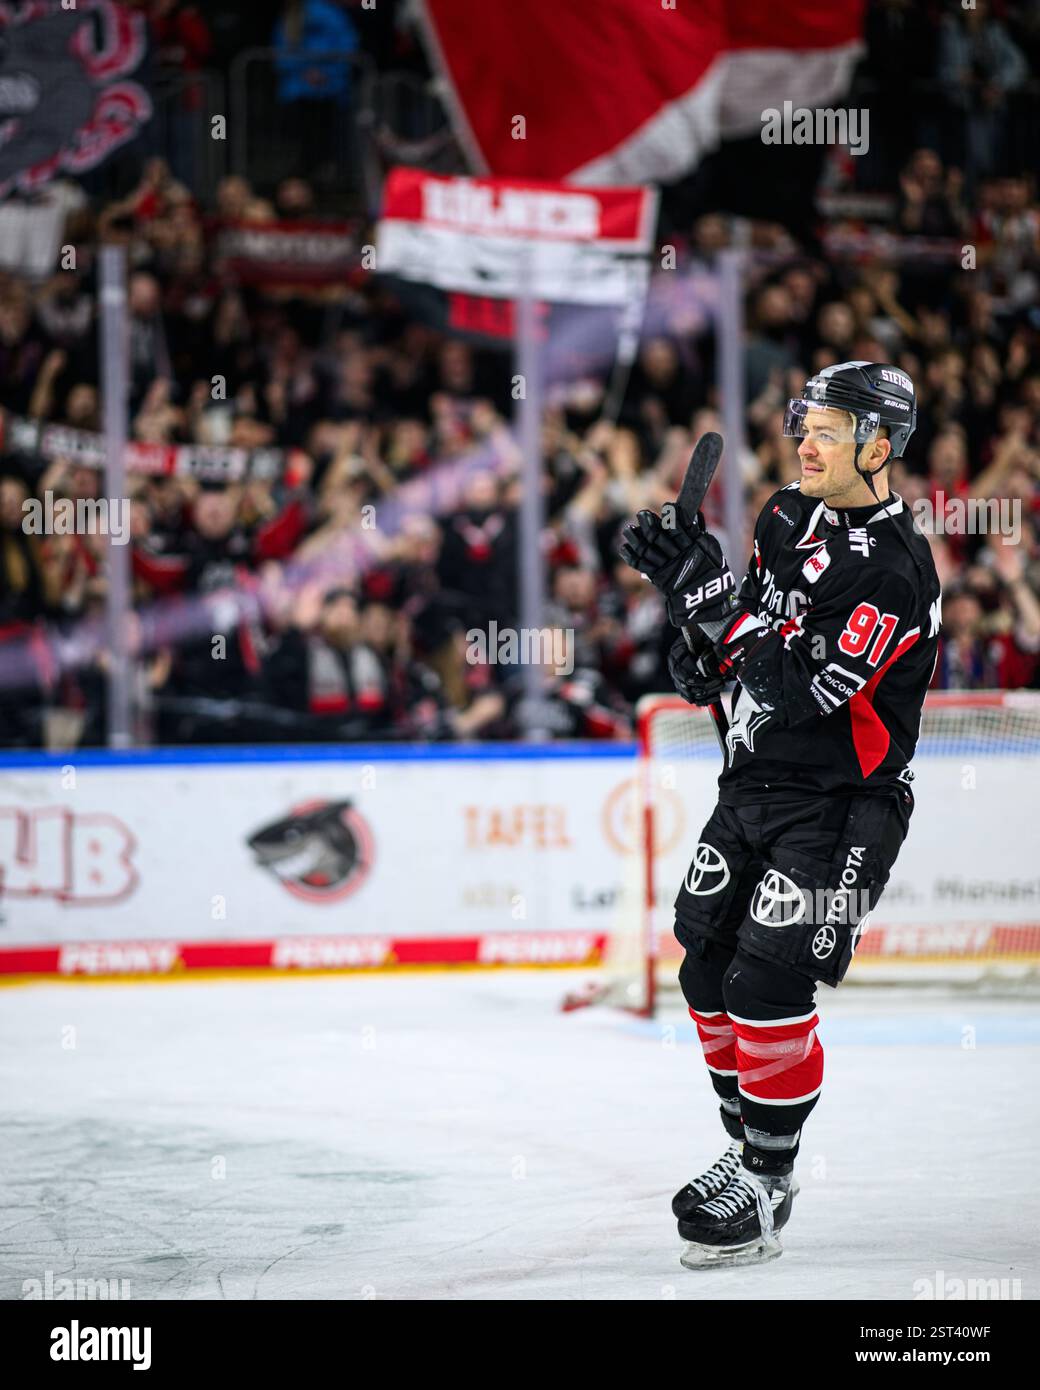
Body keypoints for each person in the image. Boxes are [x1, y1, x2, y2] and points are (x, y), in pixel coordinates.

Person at [620, 362, 941, 1267]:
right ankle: (746, 1146)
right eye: (804, 420)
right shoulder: (783, 517)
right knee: (704, 970)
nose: (805, 438)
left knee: (766, 986)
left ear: (878, 447)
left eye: (829, 429)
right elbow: (743, 653)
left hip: (844, 808)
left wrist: (711, 606)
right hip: (752, 784)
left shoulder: (894, 572)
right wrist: (692, 621)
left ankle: (767, 1178)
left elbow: (804, 690)